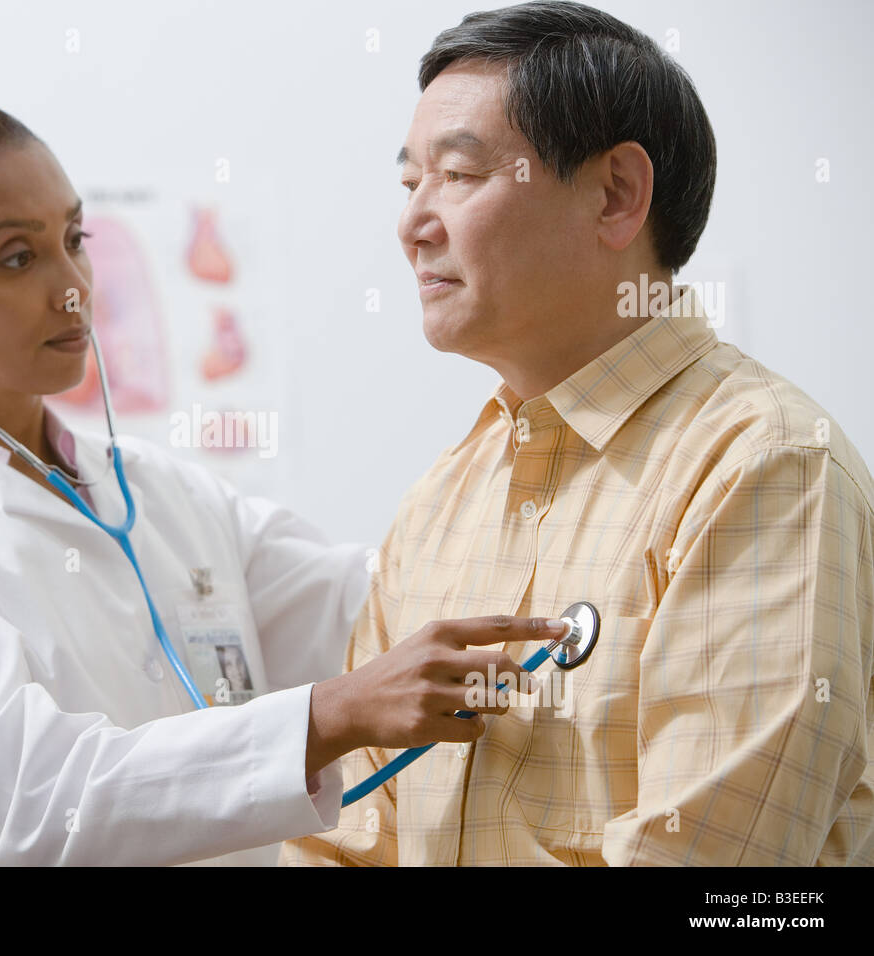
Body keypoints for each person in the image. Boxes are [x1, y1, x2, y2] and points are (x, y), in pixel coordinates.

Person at [0, 100, 558, 866]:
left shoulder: (155, 492)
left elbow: (370, 605)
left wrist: (579, 511)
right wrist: (332, 715)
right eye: (17, 256)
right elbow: (27, 805)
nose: (73, 284)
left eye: (74, 239)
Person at [281, 0, 874, 866]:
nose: (413, 225)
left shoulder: (765, 464)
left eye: (459, 174)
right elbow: (352, 841)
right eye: (410, 184)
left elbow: (711, 875)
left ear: (616, 195)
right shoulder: (438, 500)